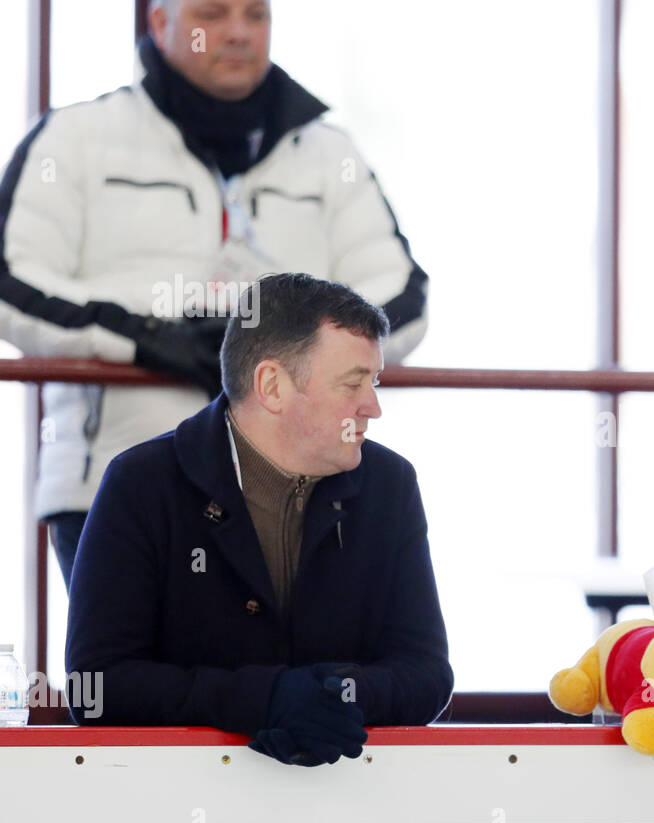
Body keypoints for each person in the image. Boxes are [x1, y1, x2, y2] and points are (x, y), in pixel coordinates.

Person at [0, 0, 428, 589]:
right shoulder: (75, 138)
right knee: (135, 681)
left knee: (303, 683)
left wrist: (287, 349)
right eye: (211, 14)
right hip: (112, 488)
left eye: (256, 15)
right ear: (158, 23)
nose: (236, 32)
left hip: (307, 492)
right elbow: (12, 280)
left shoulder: (330, 155)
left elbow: (403, 299)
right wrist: (147, 339)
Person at [65, 273, 452, 767]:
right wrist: (263, 699)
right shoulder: (141, 484)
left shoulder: (391, 484)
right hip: (173, 814)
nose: (373, 406)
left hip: (352, 806)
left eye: (373, 382)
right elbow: (95, 685)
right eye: (352, 383)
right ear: (272, 386)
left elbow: (428, 673)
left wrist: (336, 696)